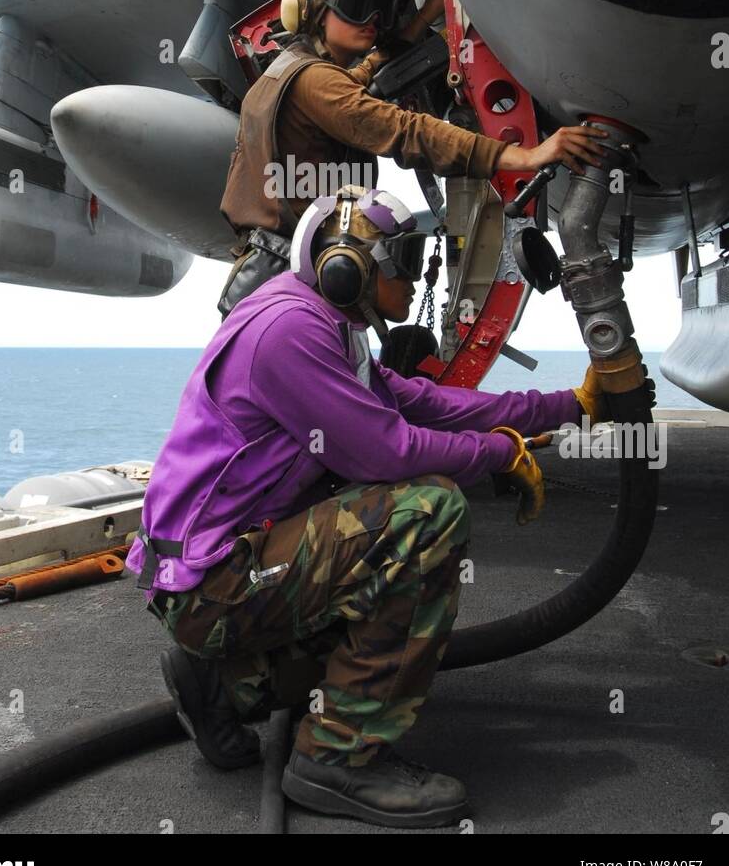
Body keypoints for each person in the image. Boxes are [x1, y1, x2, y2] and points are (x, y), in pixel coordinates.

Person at [127, 185, 606, 828]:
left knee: (372, 536)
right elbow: (388, 450)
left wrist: (563, 406)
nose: (414, 278)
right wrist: (498, 455)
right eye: (402, 261)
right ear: (346, 264)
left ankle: (227, 683)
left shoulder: (327, 321)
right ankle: (337, 758)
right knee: (424, 514)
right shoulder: (288, 330)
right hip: (216, 579)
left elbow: (421, 402)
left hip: (231, 565)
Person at [217, 0, 607, 315]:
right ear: (313, 12)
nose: (371, 22)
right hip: (283, 282)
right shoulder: (316, 83)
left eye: (380, 10)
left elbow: (363, 77)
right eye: (355, 7)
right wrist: (523, 155)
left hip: (272, 276)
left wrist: (423, 20)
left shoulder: (292, 70)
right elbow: (405, 131)